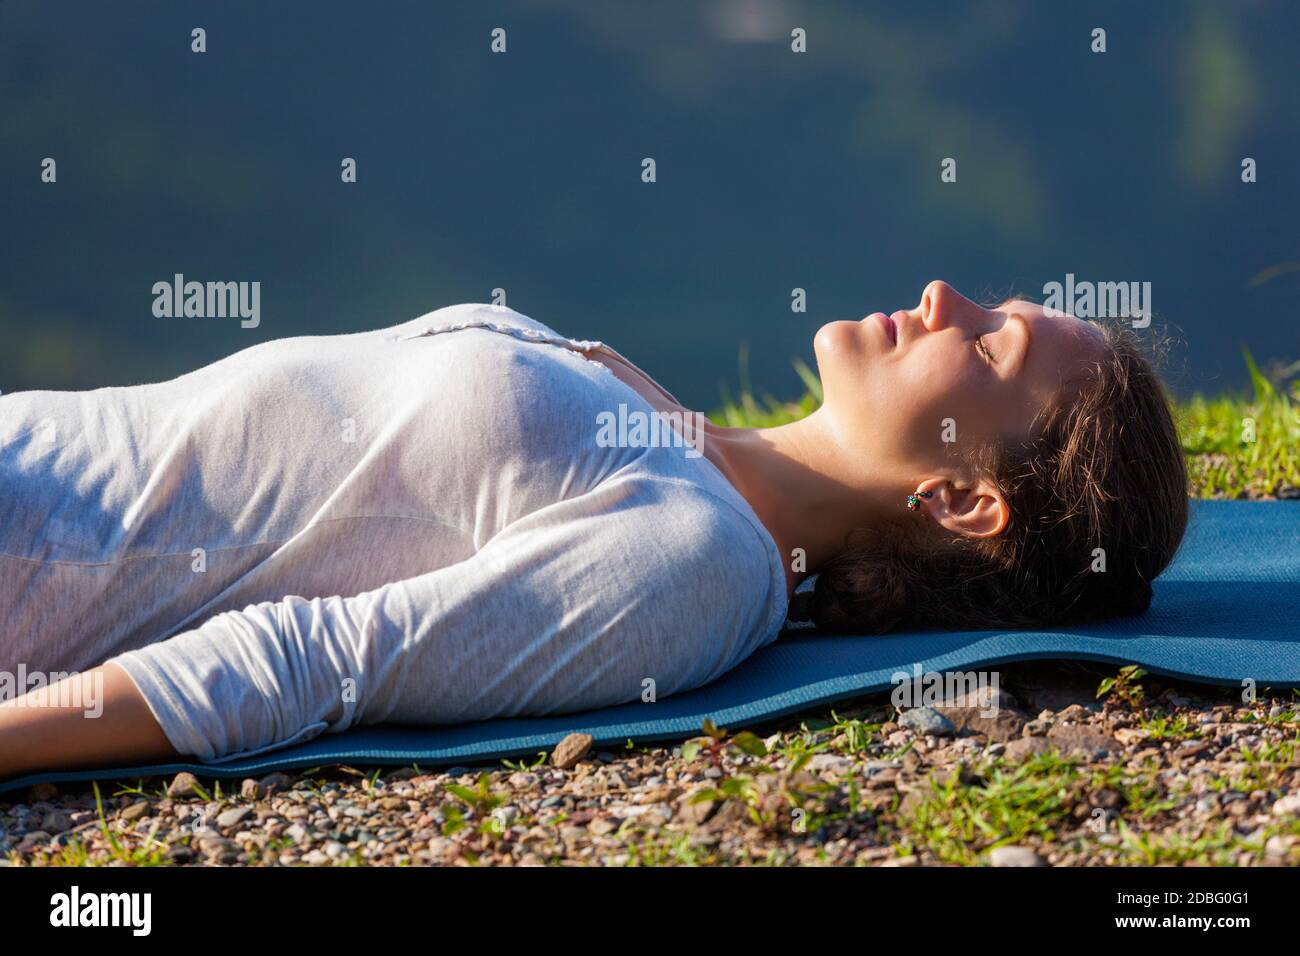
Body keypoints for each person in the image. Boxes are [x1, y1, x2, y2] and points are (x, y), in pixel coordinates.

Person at [0, 280, 1188, 776]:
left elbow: (312, 662)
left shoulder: (699, 564)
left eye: (985, 343)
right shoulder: (680, 435)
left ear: (965, 498)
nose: (942, 297)